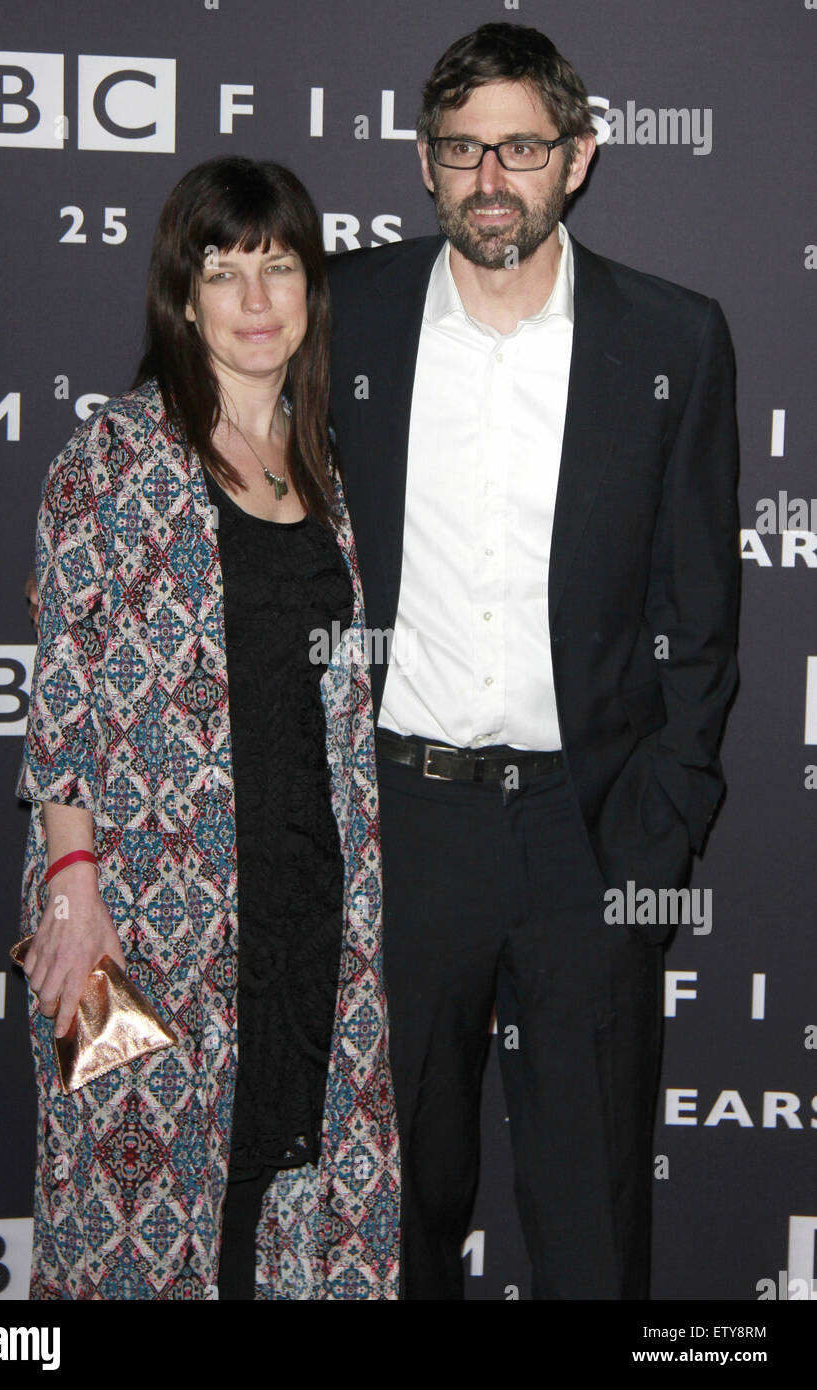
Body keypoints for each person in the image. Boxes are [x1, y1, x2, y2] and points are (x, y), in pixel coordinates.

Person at [325, 23, 740, 1299]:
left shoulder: (672, 338)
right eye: (461, 149)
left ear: (577, 156)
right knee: (386, 1209)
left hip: (589, 833)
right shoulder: (344, 315)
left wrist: (654, 836)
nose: (488, 177)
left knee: (589, 1221)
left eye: (518, 146)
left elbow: (701, 612)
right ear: (422, 162)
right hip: (402, 827)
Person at [15, 156, 399, 1300]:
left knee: (289, 1187)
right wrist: (73, 890)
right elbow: (61, 706)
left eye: (276, 267)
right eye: (221, 271)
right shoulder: (113, 460)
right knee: (125, 1216)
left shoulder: (334, 469)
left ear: (307, 290)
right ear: (182, 297)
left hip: (307, 908)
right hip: (143, 916)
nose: (252, 300)